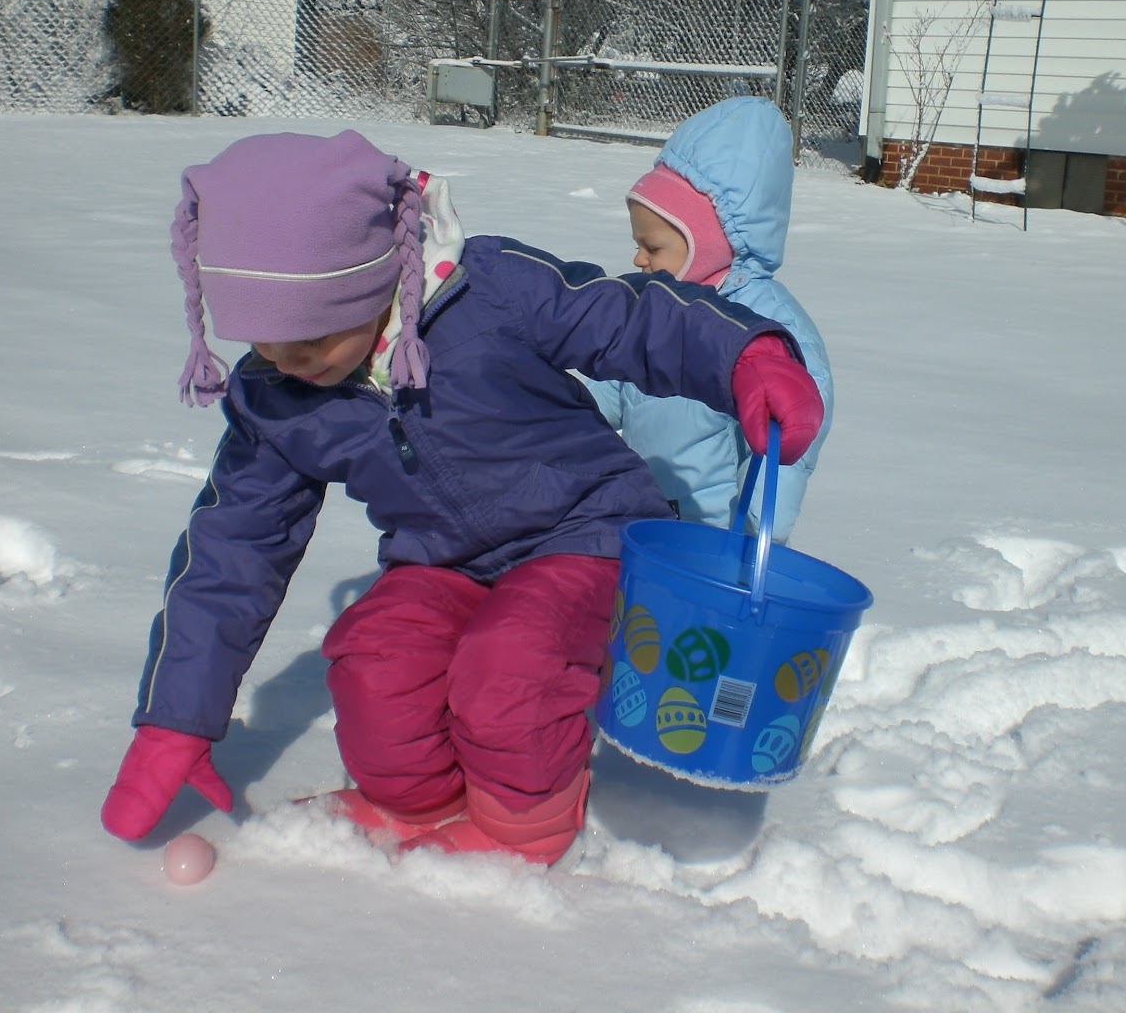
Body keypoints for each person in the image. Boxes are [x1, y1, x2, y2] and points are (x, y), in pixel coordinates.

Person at [98, 128, 823, 866]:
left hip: (585, 533)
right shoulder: (276, 396)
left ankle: (522, 828)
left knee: (512, 663)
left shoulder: (491, 291)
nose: (286, 365)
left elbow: (629, 317)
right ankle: (419, 803)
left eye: (308, 343)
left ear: (369, 280)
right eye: (260, 345)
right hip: (443, 559)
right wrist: (176, 718)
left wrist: (747, 354)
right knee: (374, 660)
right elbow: (233, 552)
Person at [584, 96, 833, 544]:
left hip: (721, 535)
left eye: (653, 248)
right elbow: (608, 384)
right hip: (645, 514)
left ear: (709, 242)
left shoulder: (767, 323)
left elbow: (792, 430)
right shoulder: (652, 307)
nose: (637, 257)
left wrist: (757, 528)